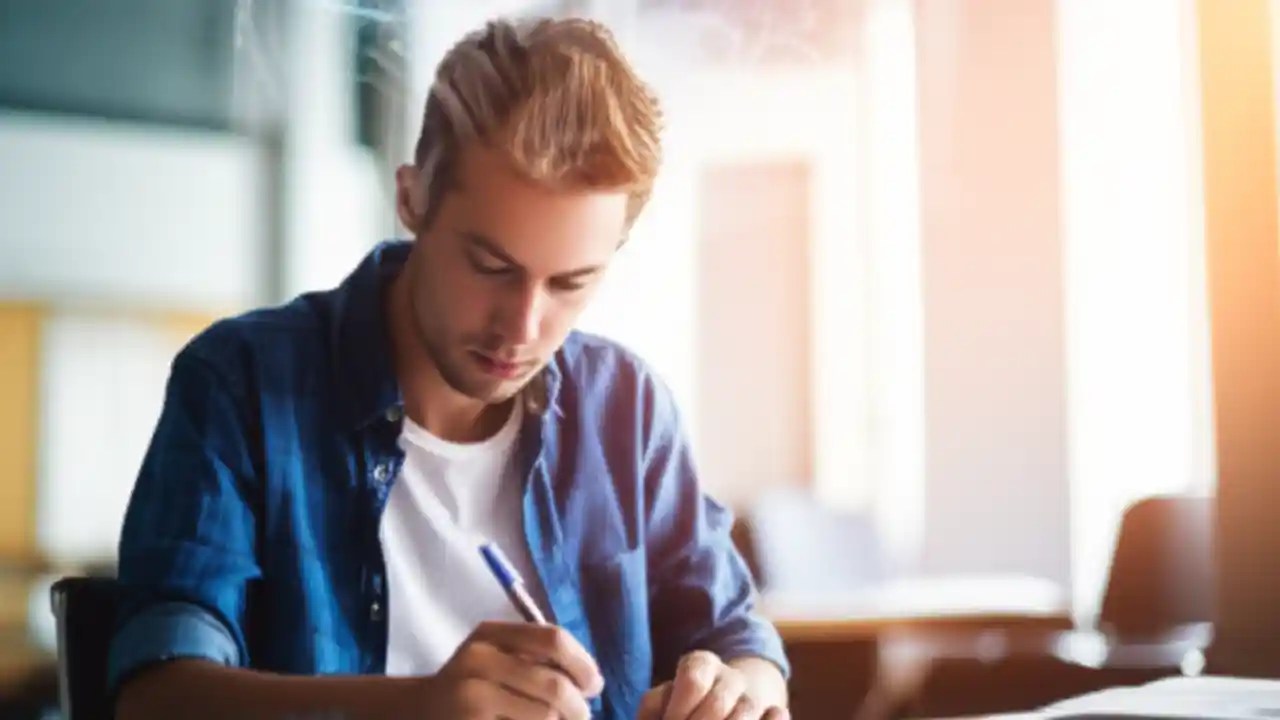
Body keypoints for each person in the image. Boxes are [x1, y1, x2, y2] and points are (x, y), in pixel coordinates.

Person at [109, 16, 789, 720]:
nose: (522, 329)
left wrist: (737, 693)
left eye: (570, 284)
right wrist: (415, 708)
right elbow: (157, 696)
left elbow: (741, 641)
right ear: (411, 199)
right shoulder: (241, 382)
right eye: (491, 267)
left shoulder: (629, 409)